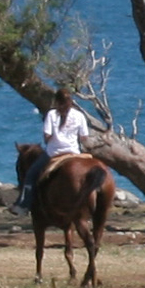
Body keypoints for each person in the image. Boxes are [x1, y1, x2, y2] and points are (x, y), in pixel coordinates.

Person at [8, 88, 89, 216]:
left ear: (56, 101)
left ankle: (24, 206)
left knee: (30, 175)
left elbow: (47, 137)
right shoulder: (79, 115)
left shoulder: (52, 114)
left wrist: (55, 138)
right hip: (74, 152)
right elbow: (84, 137)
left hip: (54, 153)